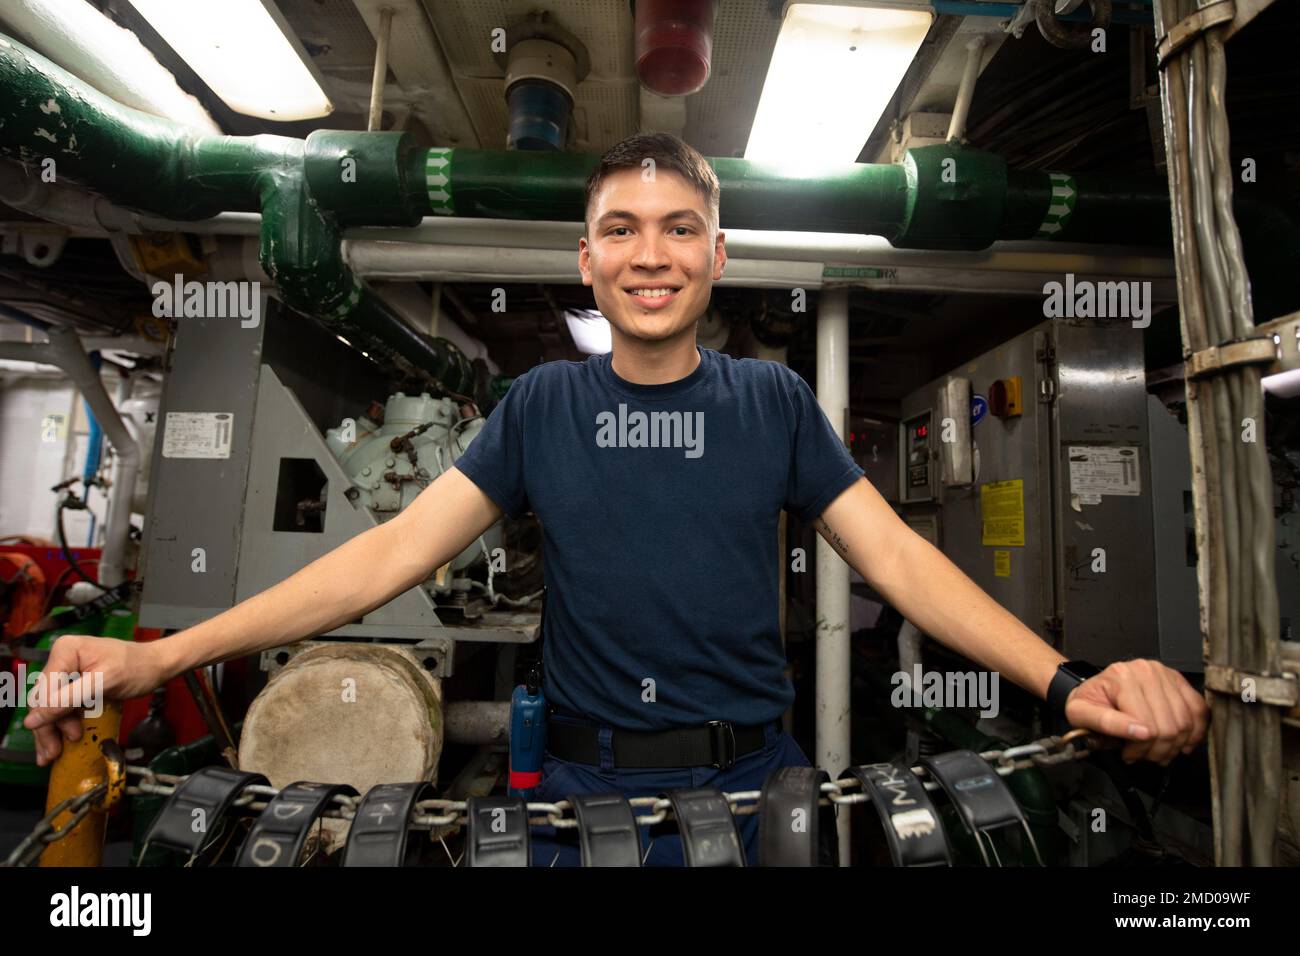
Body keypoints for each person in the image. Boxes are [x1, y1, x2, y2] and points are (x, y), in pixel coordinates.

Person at [24, 133, 1208, 867]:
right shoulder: (539, 405)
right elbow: (382, 557)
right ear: (586, 263)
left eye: (680, 228)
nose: (651, 253)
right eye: (621, 231)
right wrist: (166, 655)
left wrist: (1064, 679)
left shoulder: (773, 403)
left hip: (757, 794)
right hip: (580, 802)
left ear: (717, 255)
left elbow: (898, 561)